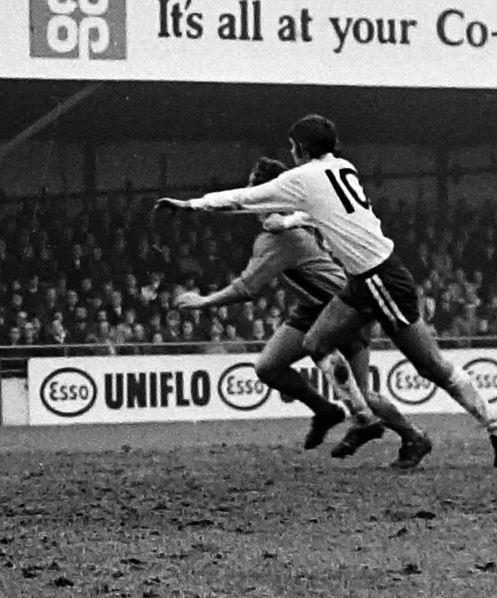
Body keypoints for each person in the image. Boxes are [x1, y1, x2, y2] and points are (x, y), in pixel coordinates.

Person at [158, 115, 497, 468]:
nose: (292, 153)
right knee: (316, 343)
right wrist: (289, 220)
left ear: (301, 148)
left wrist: (191, 205)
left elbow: (245, 198)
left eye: (292, 147)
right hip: (363, 281)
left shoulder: (303, 177)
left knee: (431, 366)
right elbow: (327, 211)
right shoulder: (343, 167)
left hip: (381, 279)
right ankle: (364, 419)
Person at [168, 157, 431, 465]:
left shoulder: (280, 237)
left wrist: (202, 302)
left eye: (255, 189)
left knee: (360, 394)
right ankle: (329, 411)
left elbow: (247, 288)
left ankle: (409, 435)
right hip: (314, 308)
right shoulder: (295, 223)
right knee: (270, 367)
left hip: (342, 309)